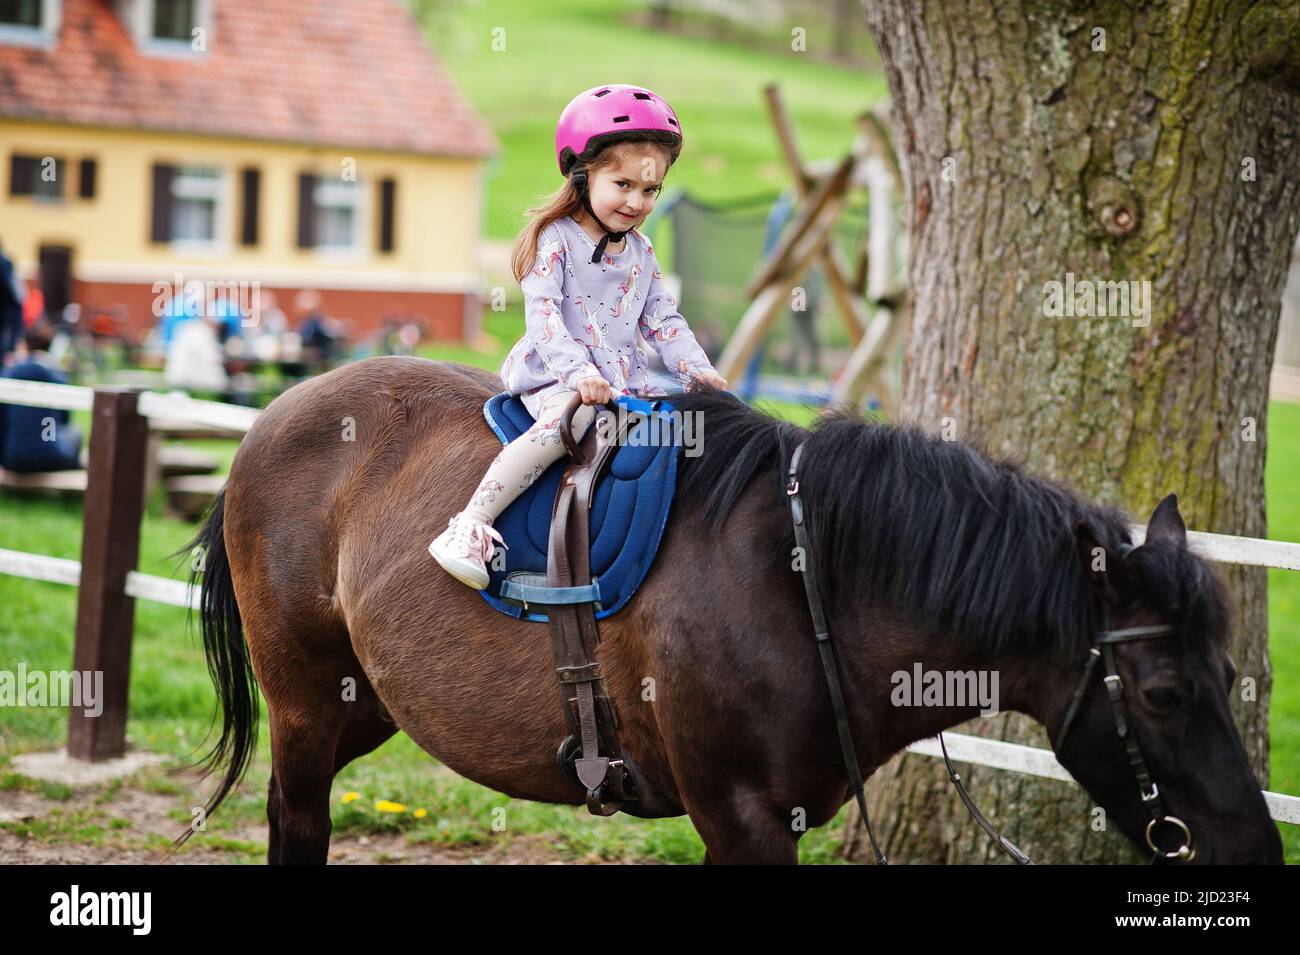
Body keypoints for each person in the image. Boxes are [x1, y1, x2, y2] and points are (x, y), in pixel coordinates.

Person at [429, 83, 728, 589]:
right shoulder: (556, 241)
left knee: (692, 425)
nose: (637, 201)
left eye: (650, 190)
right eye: (624, 184)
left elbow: (664, 321)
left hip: (621, 379)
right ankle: (471, 523)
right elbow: (544, 320)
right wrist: (580, 373)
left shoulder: (643, 253)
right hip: (557, 375)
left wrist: (698, 371)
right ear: (583, 175)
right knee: (575, 416)